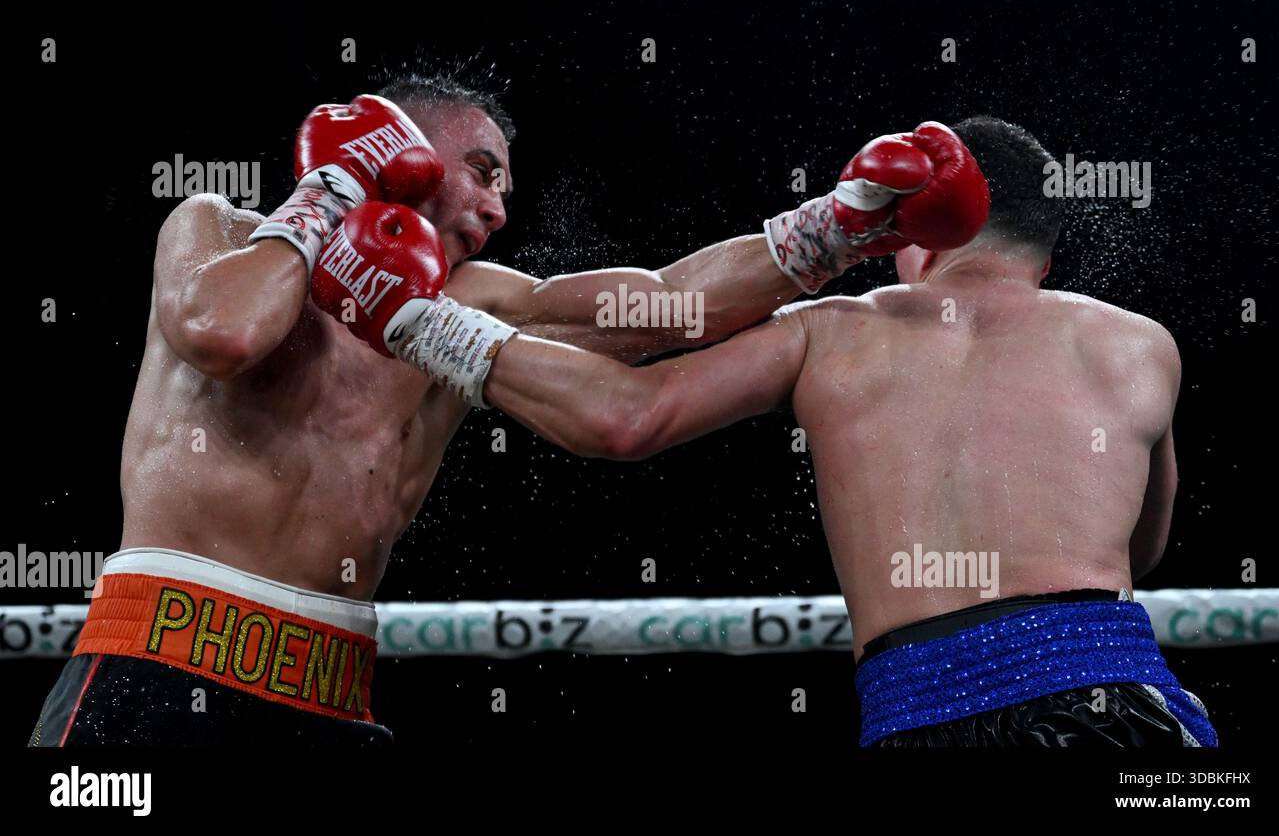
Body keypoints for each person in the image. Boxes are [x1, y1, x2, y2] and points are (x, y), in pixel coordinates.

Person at [30, 73, 978, 745]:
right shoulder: (219, 228)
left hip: (328, 688)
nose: (497, 205)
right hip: (157, 661)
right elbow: (225, 334)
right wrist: (333, 190)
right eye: (484, 170)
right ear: (402, 140)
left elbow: (663, 308)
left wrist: (838, 227)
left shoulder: (466, 300)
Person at [411, 116, 1217, 746]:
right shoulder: (1140, 344)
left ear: (913, 238)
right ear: (1041, 258)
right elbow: (1142, 552)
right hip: (1115, 703)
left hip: (914, 720)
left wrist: (420, 322)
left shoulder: (829, 331)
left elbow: (626, 417)